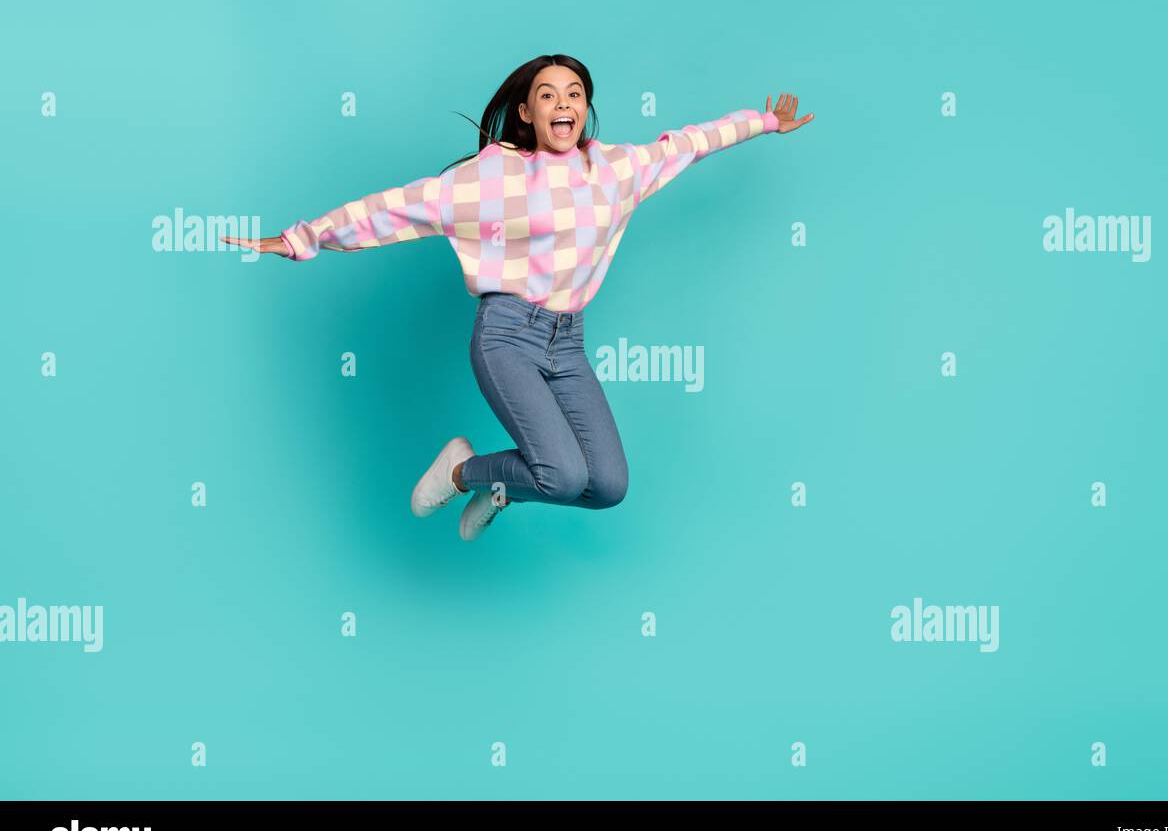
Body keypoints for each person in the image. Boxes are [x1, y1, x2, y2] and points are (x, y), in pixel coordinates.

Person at [224, 54, 813, 541]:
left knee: (606, 486)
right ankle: (461, 471)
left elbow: (687, 144)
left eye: (575, 93)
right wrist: (301, 238)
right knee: (559, 475)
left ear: (586, 108)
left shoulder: (616, 170)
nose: (564, 104)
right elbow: (397, 206)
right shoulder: (494, 176)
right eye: (549, 95)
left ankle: (499, 486)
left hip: (569, 343)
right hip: (506, 336)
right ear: (527, 112)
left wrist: (763, 122)